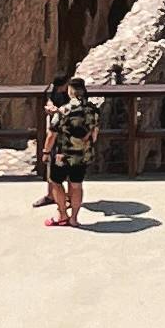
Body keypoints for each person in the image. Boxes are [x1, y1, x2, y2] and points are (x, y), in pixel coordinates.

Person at [43, 83, 96, 227]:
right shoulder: (92, 110)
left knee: (56, 182)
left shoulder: (63, 110)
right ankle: (74, 218)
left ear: (70, 91)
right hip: (82, 156)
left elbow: (52, 134)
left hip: (62, 155)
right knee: (77, 185)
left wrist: (46, 152)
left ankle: (62, 214)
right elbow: (94, 135)